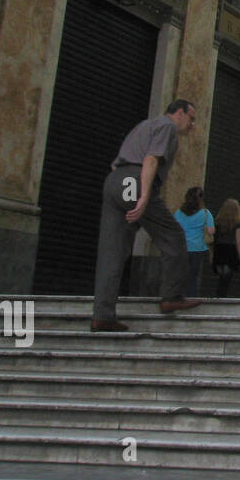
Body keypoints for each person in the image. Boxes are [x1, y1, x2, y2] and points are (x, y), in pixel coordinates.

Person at [91, 99, 203, 331]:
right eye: (191, 118)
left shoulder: (144, 125)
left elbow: (117, 165)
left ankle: (102, 315)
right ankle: (171, 296)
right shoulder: (168, 127)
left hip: (114, 182)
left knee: (112, 253)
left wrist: (127, 190)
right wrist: (143, 197)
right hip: (136, 180)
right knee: (173, 236)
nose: (192, 125)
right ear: (179, 113)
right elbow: (150, 159)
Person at [173, 186, 214, 298]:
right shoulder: (205, 213)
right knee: (193, 276)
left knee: (180, 274)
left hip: (182, 247)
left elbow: (173, 228)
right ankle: (191, 297)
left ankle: (177, 296)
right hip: (197, 248)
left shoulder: (178, 213)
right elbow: (211, 231)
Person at [211, 199, 240, 297]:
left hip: (219, 250)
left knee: (221, 277)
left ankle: (218, 295)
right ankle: (221, 298)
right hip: (230, 251)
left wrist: (212, 255)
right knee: (226, 279)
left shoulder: (217, 222)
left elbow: (214, 239)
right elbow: (238, 242)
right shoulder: (237, 223)